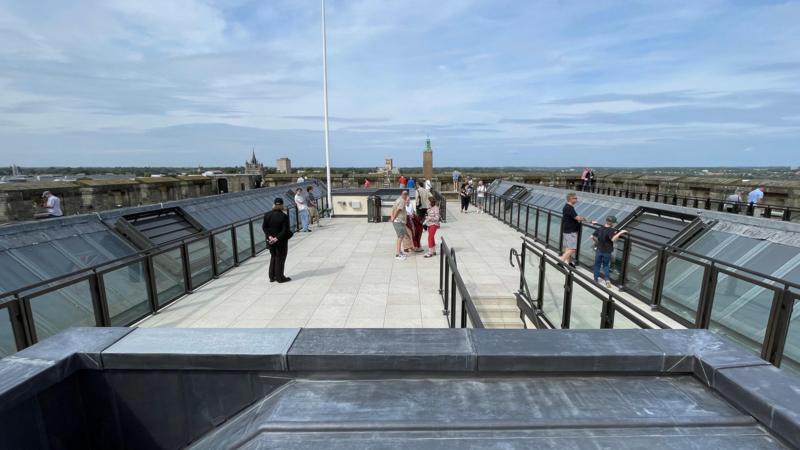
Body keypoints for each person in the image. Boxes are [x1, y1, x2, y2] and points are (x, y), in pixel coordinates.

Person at [262, 197, 293, 283]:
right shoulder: (284, 216)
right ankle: (280, 277)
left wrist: (270, 237)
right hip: (280, 241)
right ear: (282, 205)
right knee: (280, 258)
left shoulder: (267, 214)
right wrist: (276, 238)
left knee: (273, 257)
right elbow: (285, 230)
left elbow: (264, 227)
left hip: (270, 241)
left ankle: (272, 276)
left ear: (274, 204)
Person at [591, 216, 627, 288]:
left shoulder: (600, 228)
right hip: (607, 251)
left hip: (599, 250)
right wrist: (620, 232)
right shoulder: (611, 230)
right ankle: (607, 280)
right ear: (612, 223)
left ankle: (595, 279)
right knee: (606, 265)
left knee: (597, 265)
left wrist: (597, 242)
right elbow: (613, 239)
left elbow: (592, 236)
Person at [559, 192, 587, 267]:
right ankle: (560, 262)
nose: (577, 200)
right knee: (572, 249)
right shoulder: (569, 208)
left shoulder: (567, 207)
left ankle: (570, 263)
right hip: (571, 231)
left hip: (567, 230)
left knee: (568, 248)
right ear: (570, 199)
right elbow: (577, 218)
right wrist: (583, 218)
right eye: (575, 198)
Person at [390, 191, 410, 260]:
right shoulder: (402, 201)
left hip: (397, 221)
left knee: (400, 236)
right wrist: (394, 218)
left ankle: (400, 252)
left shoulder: (398, 199)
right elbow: (398, 210)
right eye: (407, 196)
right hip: (399, 221)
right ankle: (398, 254)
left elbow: (393, 209)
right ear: (406, 195)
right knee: (400, 237)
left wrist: (392, 217)